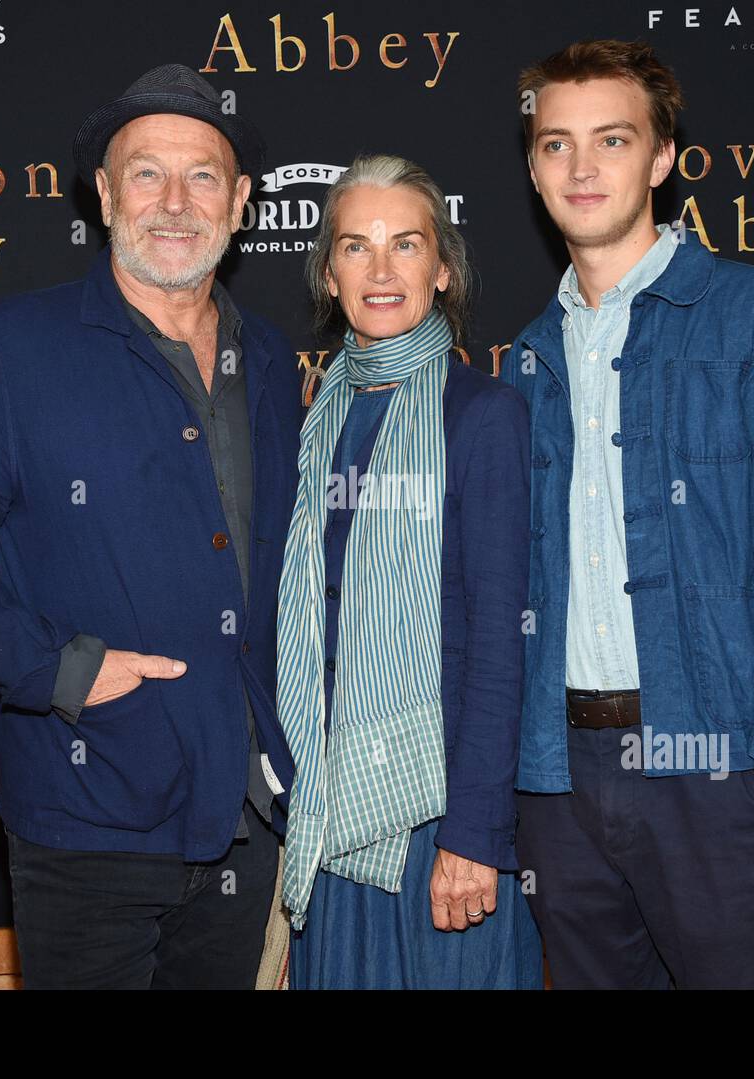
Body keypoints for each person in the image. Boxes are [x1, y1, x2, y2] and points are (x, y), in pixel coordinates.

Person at [0, 64, 302, 989]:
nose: (175, 202)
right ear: (104, 195)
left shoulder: (272, 357)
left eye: (204, 176)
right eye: (146, 173)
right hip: (90, 808)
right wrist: (66, 670)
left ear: (244, 201)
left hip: (253, 813)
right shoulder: (11, 352)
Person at [503, 39, 754, 989]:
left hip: (718, 772)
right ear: (534, 166)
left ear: (661, 159)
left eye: (612, 140)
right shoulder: (526, 359)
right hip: (559, 776)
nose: (582, 168)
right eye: (556, 145)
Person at [275, 153, 542, 989]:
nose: (382, 270)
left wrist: (473, 834)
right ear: (329, 274)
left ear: (444, 267)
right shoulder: (315, 418)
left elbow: (502, 642)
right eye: (356, 246)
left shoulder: (484, 416)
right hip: (330, 811)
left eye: (406, 244)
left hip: (439, 818)